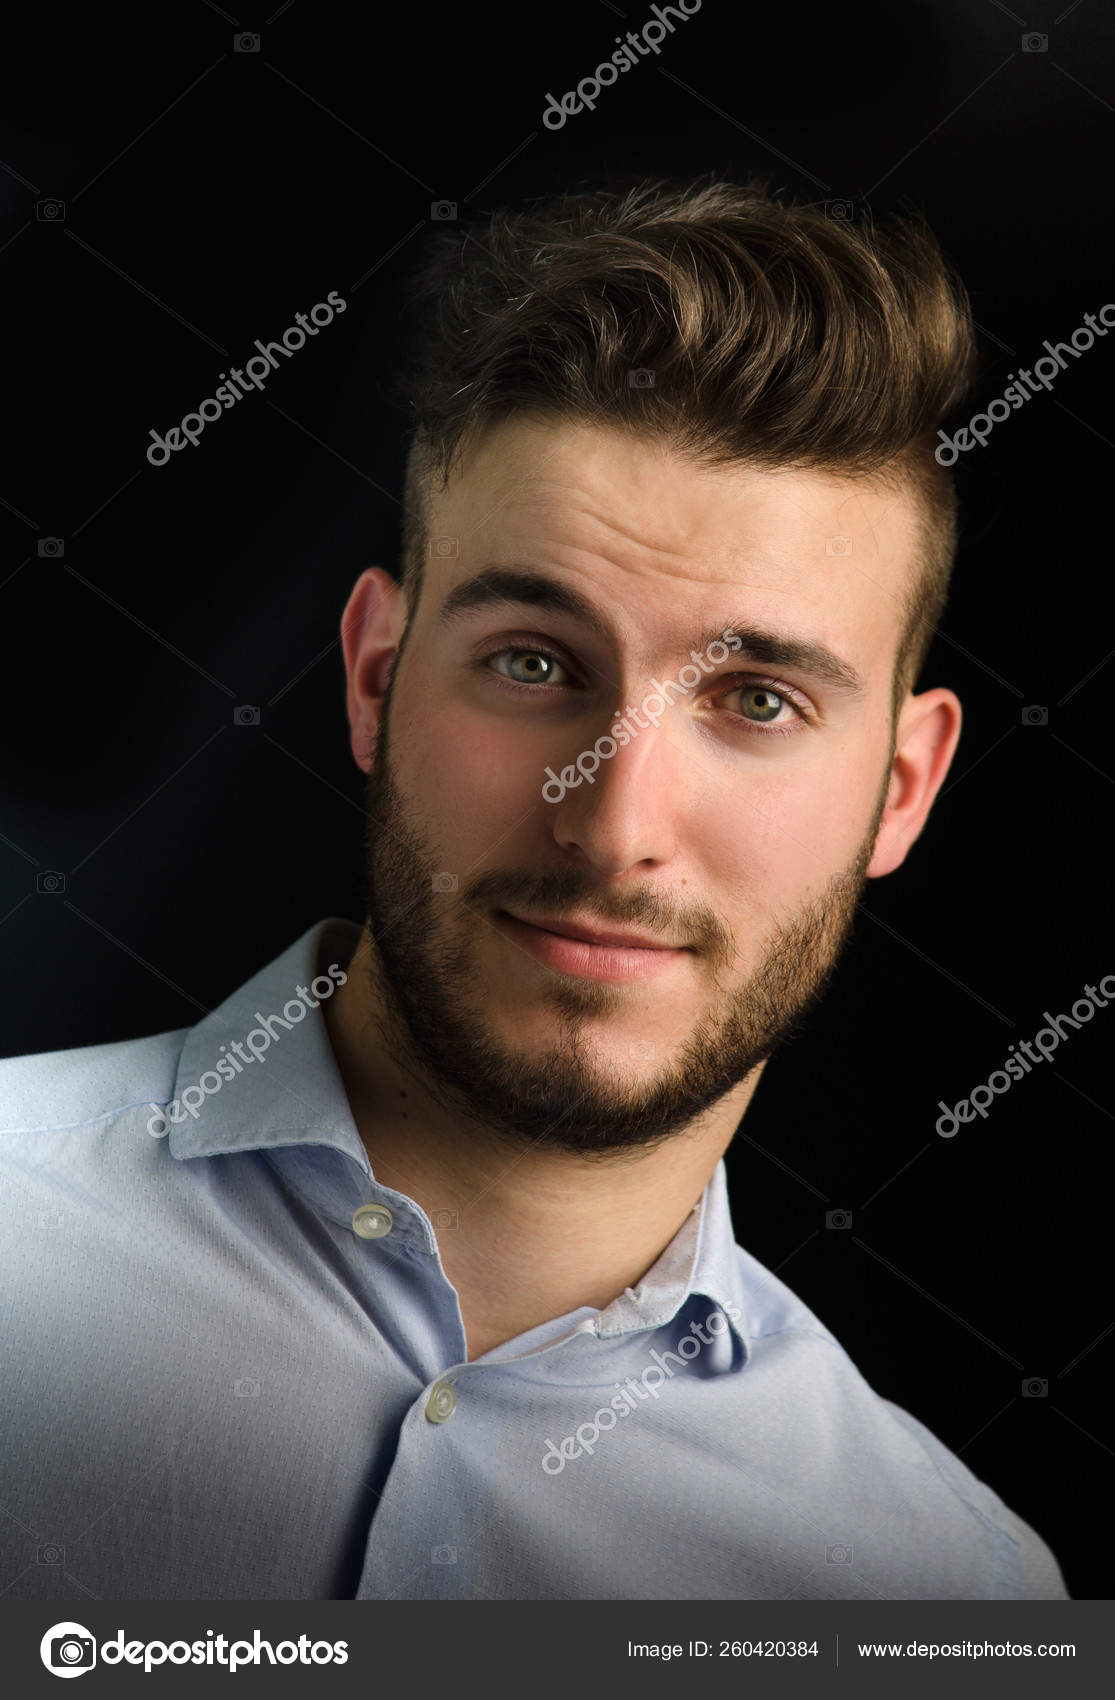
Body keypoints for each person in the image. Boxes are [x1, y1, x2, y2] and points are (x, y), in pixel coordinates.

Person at [0, 177, 1068, 1600]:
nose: (616, 826)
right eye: (534, 664)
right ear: (375, 678)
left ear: (902, 788)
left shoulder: (949, 1592)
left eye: (755, 701)